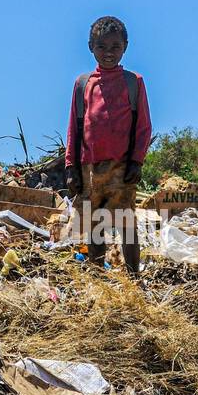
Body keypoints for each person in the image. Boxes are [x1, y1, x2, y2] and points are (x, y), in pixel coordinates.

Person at [65, 15, 151, 276]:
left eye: (115, 47)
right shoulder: (83, 85)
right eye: (101, 47)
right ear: (91, 47)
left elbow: (143, 127)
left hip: (122, 167)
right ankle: (96, 276)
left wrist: (136, 161)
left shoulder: (132, 82)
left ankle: (134, 277)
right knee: (94, 225)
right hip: (90, 168)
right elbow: (75, 128)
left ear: (125, 46)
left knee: (126, 223)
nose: (108, 53)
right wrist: (71, 167)